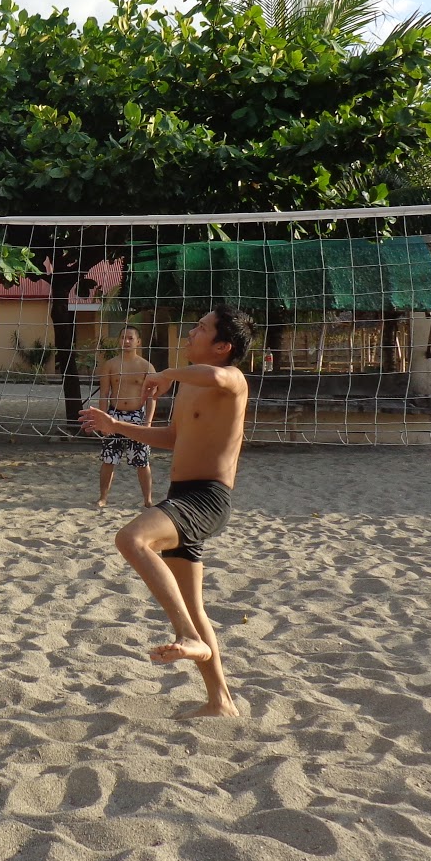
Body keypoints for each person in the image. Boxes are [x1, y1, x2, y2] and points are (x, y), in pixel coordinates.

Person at [78, 305, 254, 718]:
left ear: (222, 346)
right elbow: (173, 437)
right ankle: (221, 701)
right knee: (195, 606)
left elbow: (216, 376)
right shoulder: (190, 384)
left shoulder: (230, 379)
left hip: (206, 499)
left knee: (131, 539)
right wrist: (116, 426)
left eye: (202, 328)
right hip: (183, 494)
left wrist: (164, 374)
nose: (191, 332)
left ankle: (187, 636)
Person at [94, 324, 157, 510]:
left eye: (130, 338)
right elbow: (104, 394)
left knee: (142, 461)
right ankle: (103, 497)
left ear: (138, 341)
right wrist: (103, 419)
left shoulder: (146, 366)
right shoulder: (110, 364)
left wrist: (148, 422)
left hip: (137, 417)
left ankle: (148, 499)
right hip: (114, 414)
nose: (126, 341)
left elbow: (152, 397)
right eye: (123, 338)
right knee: (108, 459)